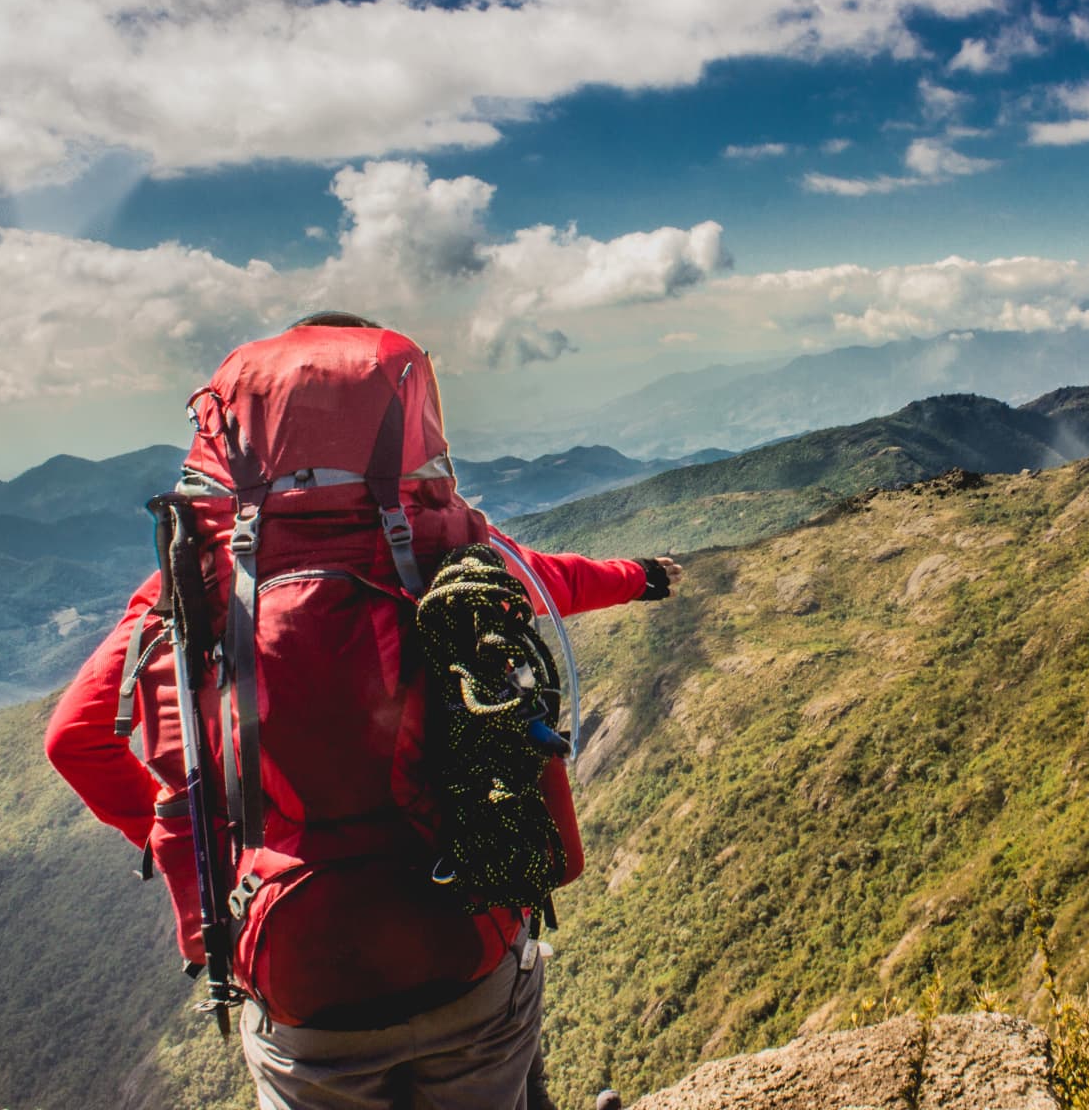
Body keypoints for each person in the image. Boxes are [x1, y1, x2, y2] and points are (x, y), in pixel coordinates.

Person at [46, 313, 682, 1109]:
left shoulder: (191, 592)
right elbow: (548, 579)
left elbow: (73, 740)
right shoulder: (443, 555)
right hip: (468, 944)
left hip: (298, 980)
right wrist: (641, 574)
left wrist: (187, 831)